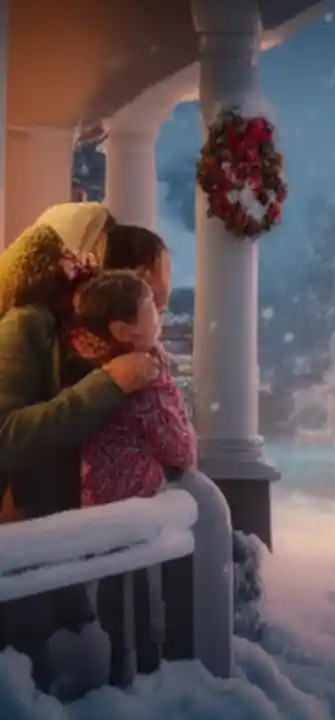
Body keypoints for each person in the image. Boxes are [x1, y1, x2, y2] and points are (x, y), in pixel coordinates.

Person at [0, 211, 160, 697]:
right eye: (102, 253)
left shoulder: (80, 333)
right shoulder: (25, 326)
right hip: (27, 535)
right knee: (29, 677)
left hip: (68, 534)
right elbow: (7, 435)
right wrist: (107, 385)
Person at [72, 270, 194, 507]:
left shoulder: (87, 362)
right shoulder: (140, 376)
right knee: (206, 502)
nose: (159, 310)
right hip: (132, 499)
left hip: (92, 494)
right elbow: (180, 451)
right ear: (122, 331)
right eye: (150, 306)